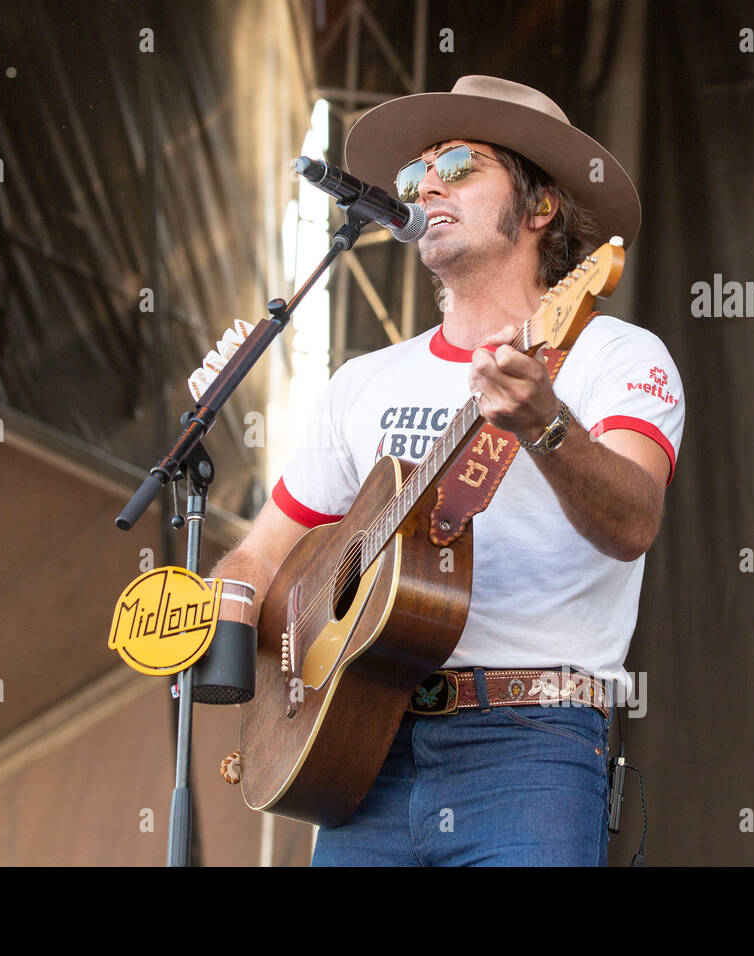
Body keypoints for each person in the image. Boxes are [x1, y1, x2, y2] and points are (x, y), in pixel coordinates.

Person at [211, 76, 685, 865]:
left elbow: (634, 522)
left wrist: (548, 427)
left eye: (461, 164)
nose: (426, 183)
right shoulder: (364, 381)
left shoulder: (614, 353)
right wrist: (226, 608)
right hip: (359, 745)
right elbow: (264, 552)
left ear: (539, 208)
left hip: (528, 746)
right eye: (413, 175)